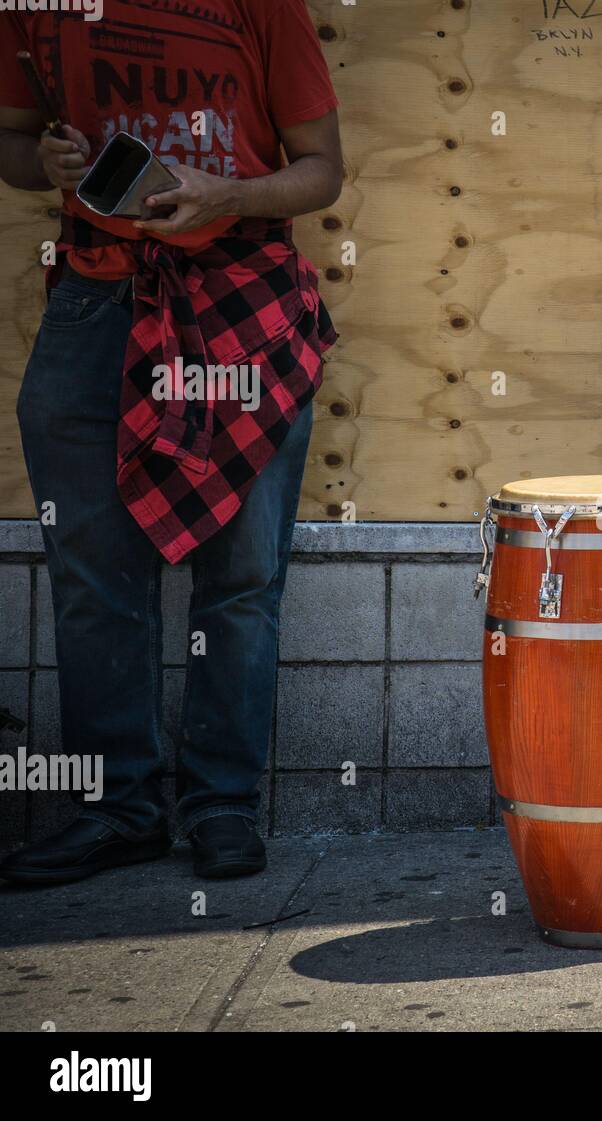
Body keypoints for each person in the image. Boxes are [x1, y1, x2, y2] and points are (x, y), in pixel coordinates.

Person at [0, 1, 342, 885]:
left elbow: (321, 171)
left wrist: (230, 195)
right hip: (92, 304)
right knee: (90, 575)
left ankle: (223, 802)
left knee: (242, 574)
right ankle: (118, 807)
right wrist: (40, 162)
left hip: (242, 305)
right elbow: (7, 142)